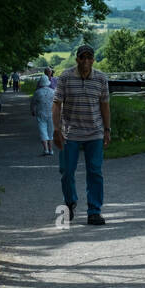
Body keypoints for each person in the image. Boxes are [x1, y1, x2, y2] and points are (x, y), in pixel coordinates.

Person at [52, 44, 111, 226]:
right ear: (77, 59)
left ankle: (94, 211)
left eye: (89, 57)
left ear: (93, 59)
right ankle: (70, 201)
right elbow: (57, 104)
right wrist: (56, 129)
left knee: (95, 171)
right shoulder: (66, 77)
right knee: (66, 172)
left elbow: (104, 105)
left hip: (94, 132)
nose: (86, 61)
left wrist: (107, 130)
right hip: (70, 133)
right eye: (82, 57)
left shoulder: (100, 78)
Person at [30, 74, 54, 155]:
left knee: (43, 131)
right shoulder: (53, 92)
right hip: (51, 113)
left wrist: (32, 110)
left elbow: (33, 103)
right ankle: (51, 150)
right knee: (50, 132)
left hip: (41, 113)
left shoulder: (37, 92)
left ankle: (46, 149)